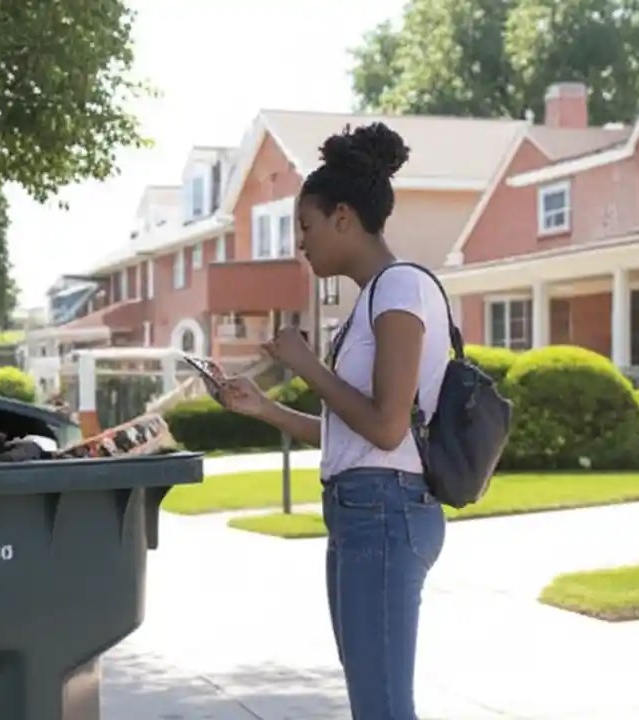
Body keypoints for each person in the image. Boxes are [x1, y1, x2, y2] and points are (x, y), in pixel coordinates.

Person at [218, 122, 448, 719]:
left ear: (343, 217)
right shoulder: (371, 299)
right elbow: (351, 436)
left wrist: (306, 366)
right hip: (361, 510)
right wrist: (264, 408)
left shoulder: (400, 289)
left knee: (382, 707)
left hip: (385, 512)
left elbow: (387, 428)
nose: (301, 242)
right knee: (373, 701)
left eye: (306, 225)